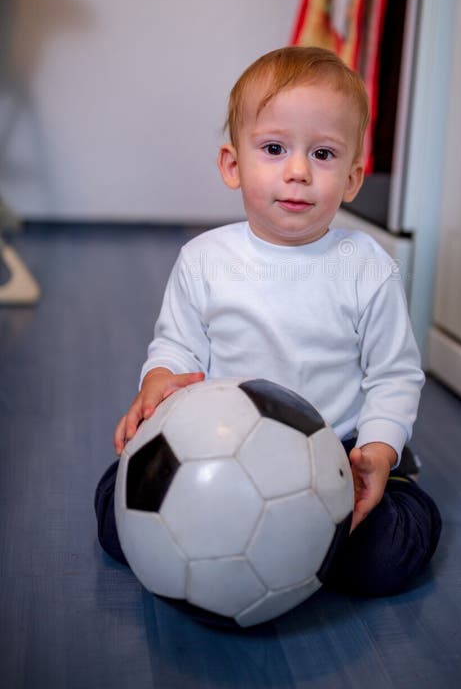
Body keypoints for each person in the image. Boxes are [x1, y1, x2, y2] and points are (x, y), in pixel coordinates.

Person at [95, 45, 441, 600]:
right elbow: (178, 347)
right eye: (275, 148)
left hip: (336, 451)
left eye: (323, 155)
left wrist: (378, 447)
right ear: (233, 165)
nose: (298, 171)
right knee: (117, 522)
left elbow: (394, 376)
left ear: (353, 179)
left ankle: (397, 482)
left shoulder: (366, 267)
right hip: (220, 447)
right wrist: (159, 381)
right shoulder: (204, 259)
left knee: (381, 562)